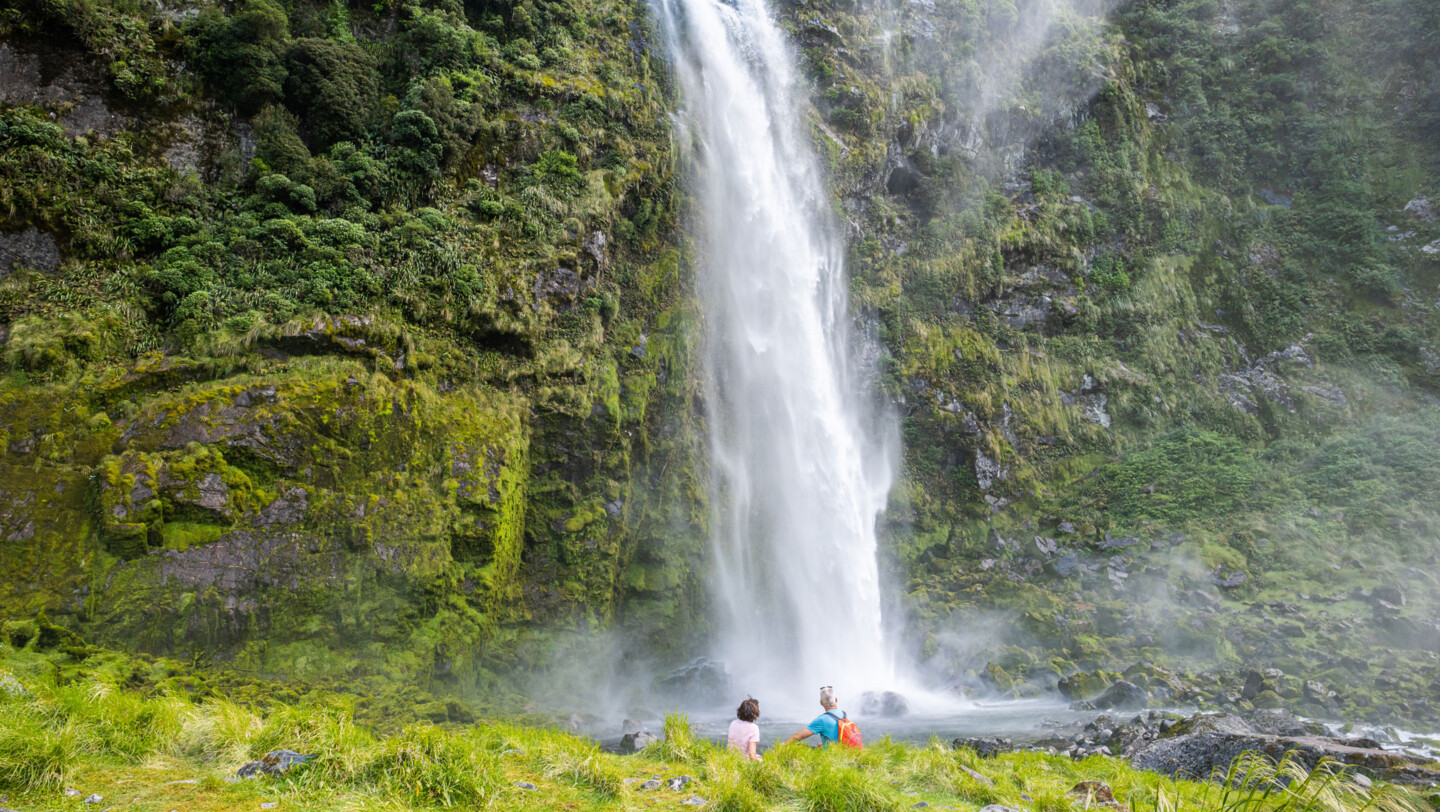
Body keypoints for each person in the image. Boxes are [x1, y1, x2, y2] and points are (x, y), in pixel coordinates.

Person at [785, 685, 860, 748]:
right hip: (848, 753)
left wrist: (781, 747)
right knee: (820, 745)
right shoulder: (845, 715)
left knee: (798, 745)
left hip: (833, 758)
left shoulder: (822, 720)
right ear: (836, 700)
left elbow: (797, 736)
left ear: (821, 703)